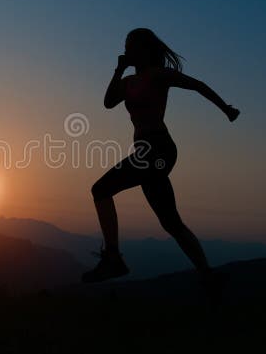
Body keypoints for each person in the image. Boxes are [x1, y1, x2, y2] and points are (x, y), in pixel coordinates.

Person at [82, 28, 240, 287]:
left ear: (144, 50)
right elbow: (108, 102)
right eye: (125, 45)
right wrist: (118, 70)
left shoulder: (157, 75)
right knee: (171, 222)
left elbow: (196, 85)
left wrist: (226, 109)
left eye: (130, 46)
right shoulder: (128, 82)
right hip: (145, 153)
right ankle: (209, 277)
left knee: (101, 189)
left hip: (159, 150)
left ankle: (113, 259)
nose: (126, 50)